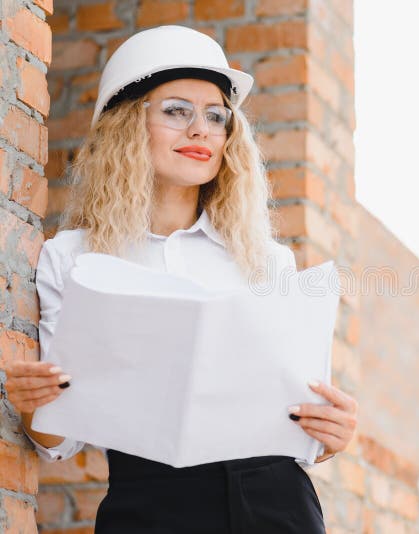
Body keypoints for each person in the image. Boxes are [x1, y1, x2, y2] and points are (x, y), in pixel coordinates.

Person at [0, 25, 357, 533]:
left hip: (274, 504)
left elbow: (297, 426)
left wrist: (329, 436)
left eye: (216, 117)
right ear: (127, 125)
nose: (201, 131)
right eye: (176, 111)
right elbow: (60, 443)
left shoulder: (267, 261)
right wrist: (36, 406)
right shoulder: (73, 258)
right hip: (148, 505)